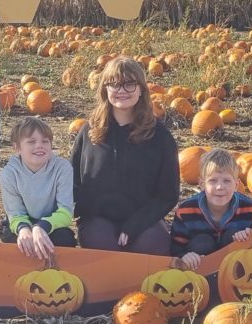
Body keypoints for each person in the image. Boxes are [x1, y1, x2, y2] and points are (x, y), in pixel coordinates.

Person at [70, 57, 178, 254]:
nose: (121, 90)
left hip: (144, 219)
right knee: (104, 250)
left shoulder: (159, 136)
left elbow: (168, 194)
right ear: (105, 89)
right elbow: (72, 181)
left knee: (151, 246)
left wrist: (135, 225)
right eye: (114, 84)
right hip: (97, 219)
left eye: (129, 84)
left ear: (141, 89)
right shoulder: (89, 131)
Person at [169, 148, 252, 270]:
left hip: (237, 270)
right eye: (212, 181)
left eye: (226, 181)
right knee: (203, 242)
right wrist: (184, 256)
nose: (219, 187)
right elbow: (175, 248)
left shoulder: (251, 210)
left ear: (236, 185)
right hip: (199, 269)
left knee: (233, 235)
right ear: (202, 184)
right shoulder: (186, 211)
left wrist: (250, 236)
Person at [0, 116, 76, 260]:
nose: (39, 146)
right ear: (17, 148)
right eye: (31, 142)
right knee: (13, 239)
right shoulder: (8, 174)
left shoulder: (63, 168)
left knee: (64, 239)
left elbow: (66, 212)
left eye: (45, 141)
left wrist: (41, 227)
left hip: (52, 223)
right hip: (23, 221)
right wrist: (23, 229)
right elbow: (15, 213)